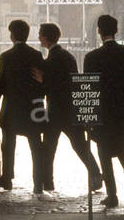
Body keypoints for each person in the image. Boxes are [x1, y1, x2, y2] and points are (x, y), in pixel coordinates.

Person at [33, 22, 102, 201]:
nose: (39, 37)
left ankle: (47, 182)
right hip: (70, 110)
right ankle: (96, 175)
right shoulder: (68, 56)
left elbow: (54, 86)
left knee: (49, 148)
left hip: (56, 111)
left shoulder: (51, 59)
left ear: (46, 37)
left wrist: (43, 79)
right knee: (79, 145)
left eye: (41, 34)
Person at [83, 15, 124, 208]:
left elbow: (89, 89)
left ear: (99, 31)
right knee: (123, 148)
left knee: (104, 153)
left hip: (103, 113)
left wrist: (88, 117)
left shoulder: (91, 57)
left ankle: (112, 194)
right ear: (117, 30)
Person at [0, 19, 46, 193]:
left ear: (12, 35)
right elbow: (41, 80)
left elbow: (1, 82)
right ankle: (38, 184)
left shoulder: (6, 56)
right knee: (35, 145)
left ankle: (7, 179)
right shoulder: (36, 55)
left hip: (11, 108)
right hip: (32, 108)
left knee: (8, 145)